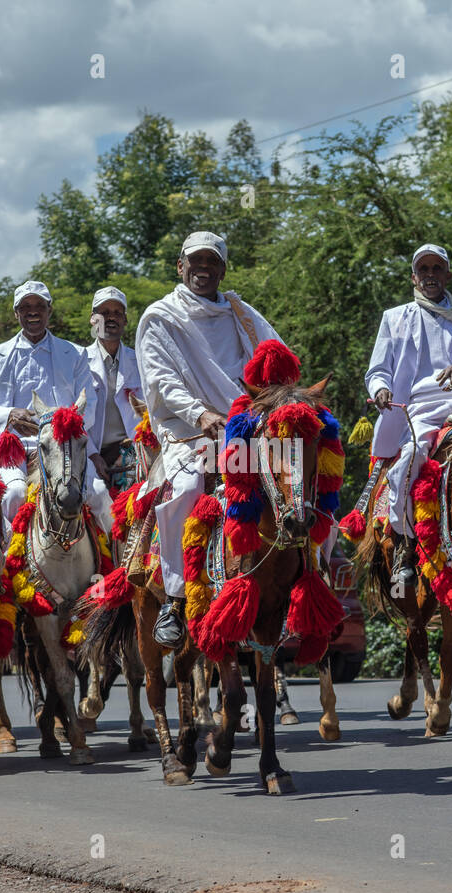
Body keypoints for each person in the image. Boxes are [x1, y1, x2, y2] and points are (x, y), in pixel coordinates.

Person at [135, 230, 286, 646]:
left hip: (245, 432)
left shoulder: (242, 313)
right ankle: (176, 599)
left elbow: (278, 357)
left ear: (222, 268)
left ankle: (304, 585)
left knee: (296, 482)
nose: (203, 269)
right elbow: (162, 382)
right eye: (195, 262)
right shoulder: (161, 316)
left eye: (211, 262)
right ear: (179, 267)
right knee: (185, 488)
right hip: (189, 434)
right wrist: (201, 414)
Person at [365, 243, 452, 585]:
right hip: (419, 410)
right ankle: (404, 543)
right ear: (413, 276)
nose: (429, 275)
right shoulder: (394, 318)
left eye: (436, 269)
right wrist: (380, 390)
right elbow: (377, 370)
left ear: (448, 275)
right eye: (423, 269)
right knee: (408, 461)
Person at [0, 280, 111, 528]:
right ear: (16, 313)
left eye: (39, 306)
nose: (33, 311)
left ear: (49, 310)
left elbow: (90, 407)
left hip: (65, 447)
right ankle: (8, 562)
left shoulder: (74, 354)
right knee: (13, 496)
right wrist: (10, 415)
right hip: (14, 450)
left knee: (98, 496)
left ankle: (116, 562)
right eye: (25, 307)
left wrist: (56, 428)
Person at [84, 286, 142, 488]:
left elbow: (149, 415)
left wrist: (132, 452)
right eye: (104, 312)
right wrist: (92, 455)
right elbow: (73, 420)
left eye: (117, 313)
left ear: (125, 320)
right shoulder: (78, 362)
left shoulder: (140, 362)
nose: (111, 318)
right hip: (90, 454)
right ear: (93, 319)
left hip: (133, 453)